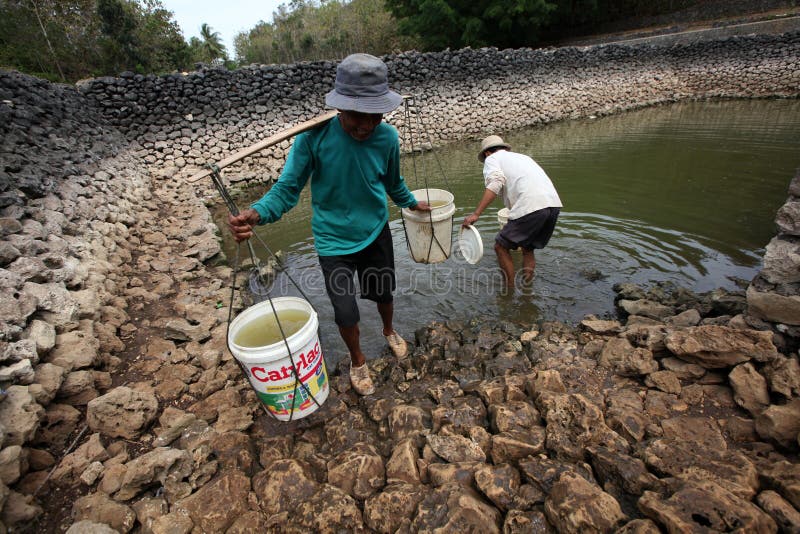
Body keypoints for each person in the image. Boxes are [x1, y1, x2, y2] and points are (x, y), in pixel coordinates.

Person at [228, 53, 431, 396]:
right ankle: (357, 360)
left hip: (375, 229)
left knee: (383, 292)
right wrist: (258, 213)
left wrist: (411, 202)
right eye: (356, 116)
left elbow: (393, 183)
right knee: (344, 309)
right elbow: (287, 190)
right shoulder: (312, 138)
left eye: (374, 115)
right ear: (340, 107)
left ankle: (388, 330)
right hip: (332, 240)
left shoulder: (388, 138)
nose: (366, 125)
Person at [462, 135, 561, 288]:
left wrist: (476, 214)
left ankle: (508, 290)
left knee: (500, 246)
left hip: (530, 204)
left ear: (487, 153)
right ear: (504, 148)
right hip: (553, 204)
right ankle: (527, 289)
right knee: (528, 248)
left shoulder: (492, 159)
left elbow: (495, 183)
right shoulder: (523, 157)